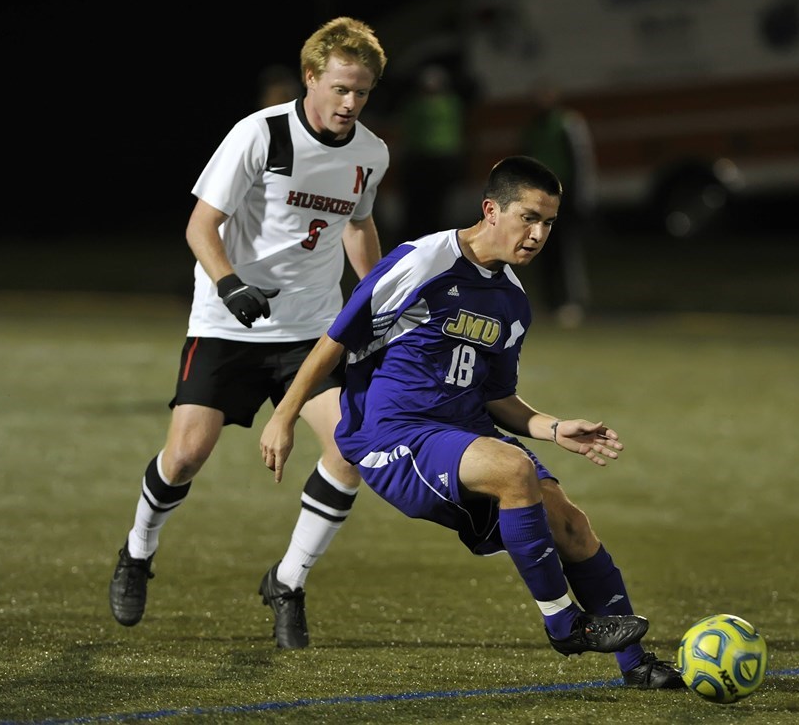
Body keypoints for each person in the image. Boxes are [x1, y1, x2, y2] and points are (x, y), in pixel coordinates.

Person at [260, 156, 684, 688]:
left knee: (573, 528)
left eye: (549, 223)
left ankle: (637, 666)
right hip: (395, 436)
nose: (538, 234)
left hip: (464, 434)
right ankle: (562, 622)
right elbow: (335, 341)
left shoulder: (512, 299)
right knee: (512, 470)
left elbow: (497, 396)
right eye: (529, 218)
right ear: (491, 209)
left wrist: (554, 428)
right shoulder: (421, 261)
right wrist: (285, 413)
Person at [108, 17, 389, 652]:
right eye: (342, 88)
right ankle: (137, 550)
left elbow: (357, 226)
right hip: (229, 322)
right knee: (184, 456)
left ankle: (288, 581)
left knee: (351, 453)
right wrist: (230, 284)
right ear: (311, 78)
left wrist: (375, 297)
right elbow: (201, 225)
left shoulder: (371, 153)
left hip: (312, 331)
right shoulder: (259, 135)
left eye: (363, 92)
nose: (351, 104)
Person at [519, 88, 596, 328]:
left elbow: (581, 161)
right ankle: (549, 301)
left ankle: (572, 301)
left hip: (564, 197)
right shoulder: (532, 127)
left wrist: (581, 196)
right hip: (537, 199)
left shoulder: (568, 123)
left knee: (566, 249)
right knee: (539, 249)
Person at [396, 63, 467, 239]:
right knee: (431, 201)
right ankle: (430, 234)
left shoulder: (419, 104)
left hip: (433, 158)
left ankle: (425, 234)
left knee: (430, 201)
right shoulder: (452, 103)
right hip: (431, 158)